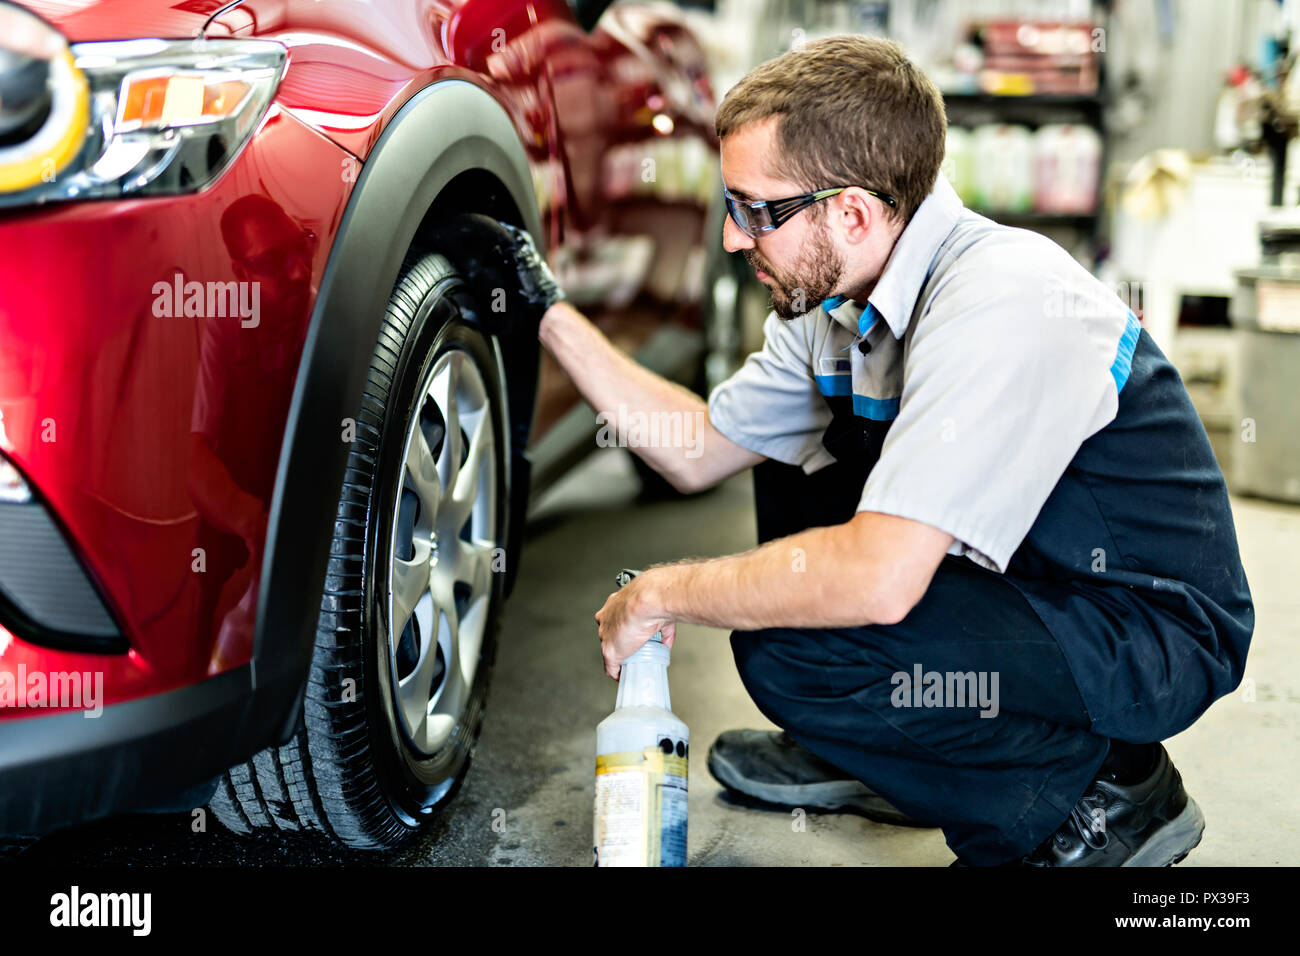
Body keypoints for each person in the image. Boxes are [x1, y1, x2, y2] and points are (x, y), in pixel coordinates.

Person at [444, 34, 1254, 867]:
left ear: (854, 213)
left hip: (1142, 626)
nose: (730, 238)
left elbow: (877, 578)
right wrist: (540, 305)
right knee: (793, 458)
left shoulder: (1000, 299)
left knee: (797, 647)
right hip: (1025, 580)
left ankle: (1101, 798)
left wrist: (665, 592)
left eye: (754, 210)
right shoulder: (835, 304)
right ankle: (894, 755)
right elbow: (695, 448)